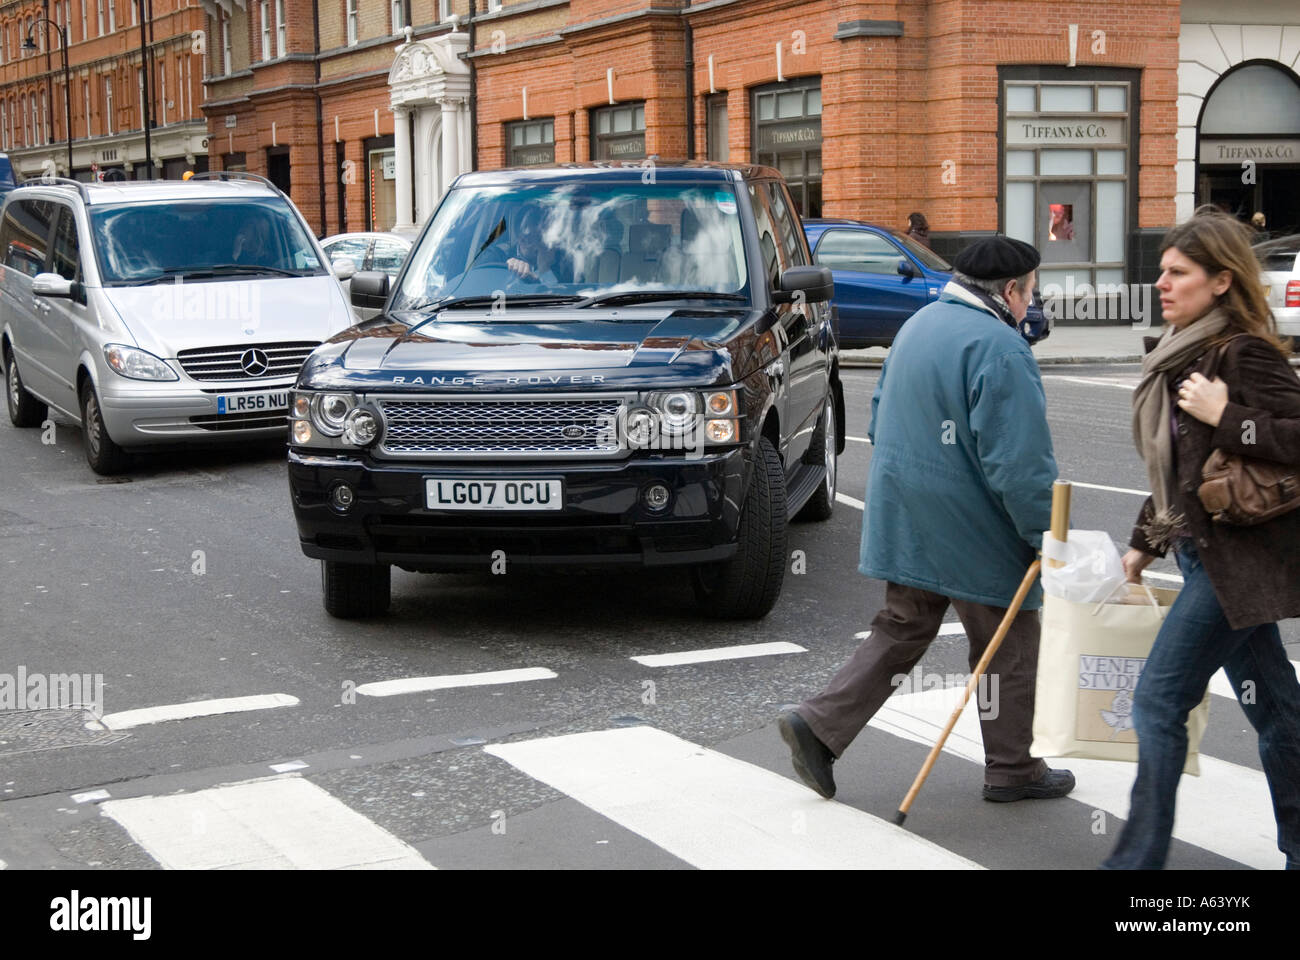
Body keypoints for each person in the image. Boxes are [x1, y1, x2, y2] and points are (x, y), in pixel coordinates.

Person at [778, 236, 1076, 804]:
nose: (1030, 304)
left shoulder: (917, 325)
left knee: (903, 626)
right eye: (1031, 292)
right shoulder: (1002, 347)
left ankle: (818, 726)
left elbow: (879, 415)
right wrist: (1044, 537)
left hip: (906, 511)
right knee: (1008, 638)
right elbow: (1018, 463)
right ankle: (1013, 767)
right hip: (971, 522)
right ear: (1010, 291)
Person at [1103, 209, 1300, 870]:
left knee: (1158, 700)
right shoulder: (1183, 352)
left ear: (1220, 282)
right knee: (1276, 710)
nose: (1163, 283)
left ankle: (1135, 866)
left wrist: (1230, 418)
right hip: (1205, 557)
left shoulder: (1242, 352)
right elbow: (1180, 473)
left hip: (1238, 565)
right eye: (1161, 271)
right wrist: (1145, 544)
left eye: (1178, 273)